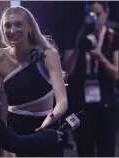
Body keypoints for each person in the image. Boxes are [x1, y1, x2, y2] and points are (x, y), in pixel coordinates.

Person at [0, 6, 68, 156]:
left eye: (18, 24)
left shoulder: (48, 55)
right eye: (7, 25)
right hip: (16, 129)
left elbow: (62, 101)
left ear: (30, 27)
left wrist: (52, 117)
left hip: (47, 126)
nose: (12, 30)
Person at [62, 1, 119, 157]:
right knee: (84, 151)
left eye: (98, 14)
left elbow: (117, 73)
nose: (94, 18)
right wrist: (78, 47)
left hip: (106, 106)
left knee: (106, 151)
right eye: (90, 14)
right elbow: (66, 71)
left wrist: (101, 58)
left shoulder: (112, 37)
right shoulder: (78, 35)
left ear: (106, 13)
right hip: (82, 107)